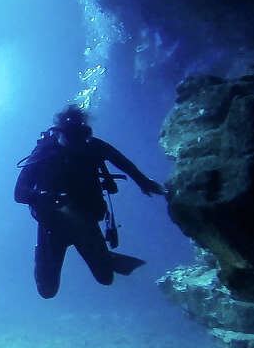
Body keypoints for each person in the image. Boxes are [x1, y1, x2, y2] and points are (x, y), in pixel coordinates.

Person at [15, 106, 165, 298]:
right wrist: (46, 197)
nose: (76, 144)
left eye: (81, 136)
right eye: (71, 137)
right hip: (52, 226)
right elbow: (19, 193)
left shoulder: (92, 146)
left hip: (85, 222)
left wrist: (144, 182)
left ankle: (105, 258)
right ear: (59, 133)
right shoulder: (44, 154)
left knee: (105, 278)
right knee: (47, 291)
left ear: (85, 133)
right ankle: (101, 256)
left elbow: (123, 162)